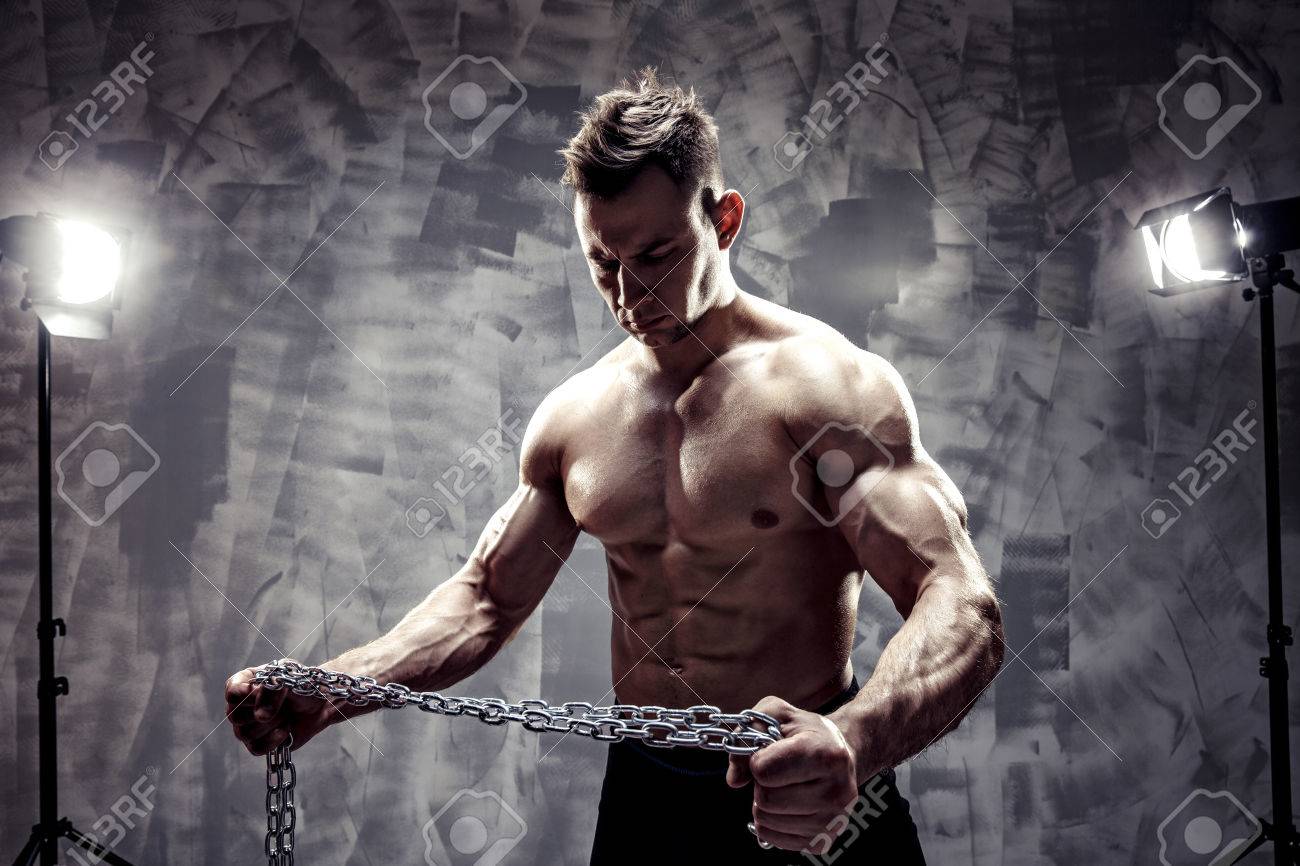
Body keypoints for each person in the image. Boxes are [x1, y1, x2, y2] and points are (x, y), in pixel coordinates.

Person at [226, 68, 1004, 864]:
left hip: (804, 772)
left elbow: (960, 600)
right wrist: (337, 687)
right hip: (646, 789)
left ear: (724, 220)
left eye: (657, 255)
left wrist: (856, 738)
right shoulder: (576, 416)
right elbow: (487, 599)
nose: (630, 295)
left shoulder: (829, 391)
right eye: (604, 263)